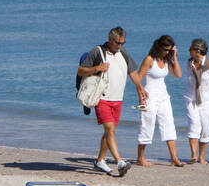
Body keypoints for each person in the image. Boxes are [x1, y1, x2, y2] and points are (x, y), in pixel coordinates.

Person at [76, 26, 142, 177]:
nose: (120, 46)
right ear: (110, 40)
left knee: (109, 132)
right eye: (118, 43)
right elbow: (81, 70)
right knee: (110, 129)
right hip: (102, 98)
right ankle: (120, 162)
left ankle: (100, 161)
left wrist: (140, 89)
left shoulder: (123, 53)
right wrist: (97, 68)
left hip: (118, 99)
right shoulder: (97, 52)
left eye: (122, 43)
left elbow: (132, 72)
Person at [135, 35, 183, 167]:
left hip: (163, 96)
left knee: (169, 124)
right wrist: (141, 98)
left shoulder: (167, 61)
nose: (167, 52)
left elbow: (178, 75)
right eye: (165, 49)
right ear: (159, 47)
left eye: (169, 50)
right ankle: (140, 158)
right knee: (147, 125)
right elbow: (138, 79)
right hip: (149, 96)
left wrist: (174, 57)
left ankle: (174, 157)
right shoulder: (149, 60)